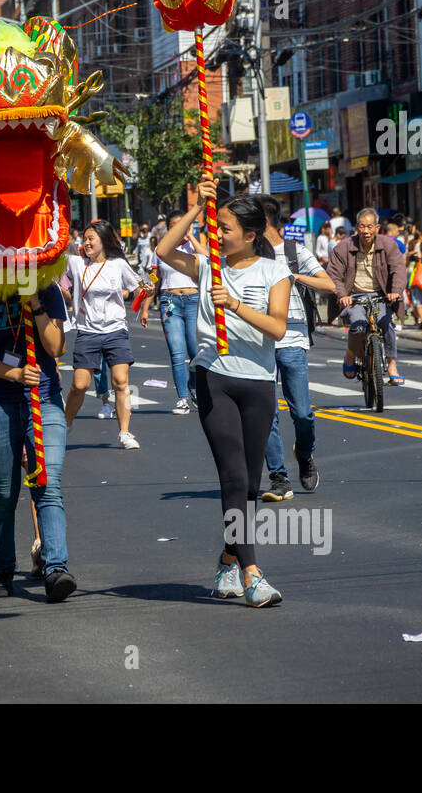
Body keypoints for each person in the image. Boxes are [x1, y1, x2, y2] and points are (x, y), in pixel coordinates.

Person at [156, 184, 291, 607]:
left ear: (251, 234)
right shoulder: (207, 266)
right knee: (232, 478)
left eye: (225, 228)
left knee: (250, 485)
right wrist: (196, 205)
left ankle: (229, 558)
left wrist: (233, 304)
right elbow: (163, 249)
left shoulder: (274, 273)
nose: (217, 233)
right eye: (215, 226)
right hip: (215, 377)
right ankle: (252, 573)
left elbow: (278, 329)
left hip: (258, 383)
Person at [0, 263, 73, 601]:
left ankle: (56, 568)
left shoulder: (48, 289)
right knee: (4, 492)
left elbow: (56, 348)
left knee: (48, 484)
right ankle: (1, 571)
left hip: (45, 399)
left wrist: (35, 302)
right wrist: (12, 374)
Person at [257, 196, 333, 501]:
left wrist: (294, 276)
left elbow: (328, 284)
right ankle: (278, 477)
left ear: (265, 222)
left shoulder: (294, 252)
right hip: (259, 338)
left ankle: (304, 454)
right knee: (266, 414)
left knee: (302, 412)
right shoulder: (248, 256)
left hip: (292, 335)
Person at [62, 220, 142, 449]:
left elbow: (139, 287)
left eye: (90, 239)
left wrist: (144, 299)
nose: (86, 243)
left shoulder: (117, 264)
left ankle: (125, 433)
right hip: (87, 332)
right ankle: (66, 424)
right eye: (84, 239)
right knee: (79, 385)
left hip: (116, 330)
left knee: (120, 381)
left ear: (103, 241)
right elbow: (53, 265)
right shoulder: (76, 263)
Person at [327, 208, 406, 385]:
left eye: (370, 226)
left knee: (387, 325)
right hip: (354, 297)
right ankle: (350, 355)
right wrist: (342, 295)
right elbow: (333, 275)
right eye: (362, 226)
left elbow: (398, 270)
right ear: (356, 227)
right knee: (358, 327)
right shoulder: (343, 248)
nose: (366, 231)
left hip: (380, 296)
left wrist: (395, 290)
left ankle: (392, 365)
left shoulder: (388, 245)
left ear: (377, 227)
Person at [139, 209, 201, 414]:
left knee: (195, 352)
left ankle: (194, 386)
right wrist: (146, 307)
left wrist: (191, 235)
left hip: (193, 300)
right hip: (169, 301)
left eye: (181, 224)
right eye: (173, 226)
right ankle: (182, 398)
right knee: (177, 353)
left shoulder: (194, 245)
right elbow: (153, 279)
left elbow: (209, 262)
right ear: (167, 227)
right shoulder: (161, 250)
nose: (178, 229)